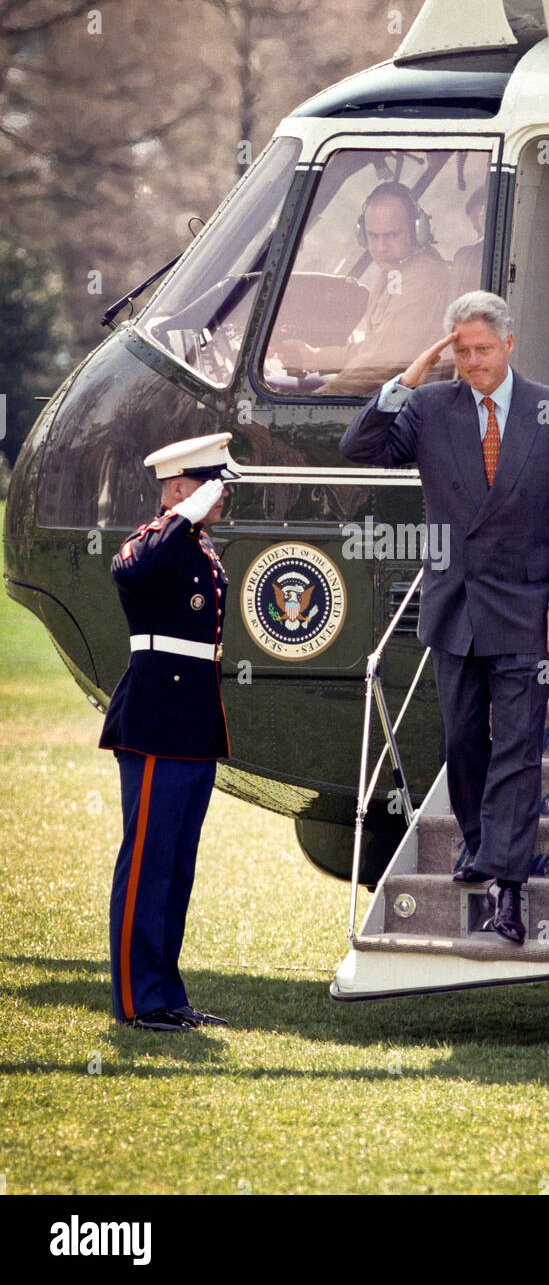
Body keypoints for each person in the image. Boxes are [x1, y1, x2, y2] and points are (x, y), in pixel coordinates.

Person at [340, 292, 549, 945]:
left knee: (516, 749)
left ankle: (506, 888)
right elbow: (360, 448)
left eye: (482, 349)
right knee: (462, 741)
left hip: (527, 611)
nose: (472, 361)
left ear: (509, 344)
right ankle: (478, 842)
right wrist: (408, 377)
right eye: (460, 351)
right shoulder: (430, 407)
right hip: (454, 609)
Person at [99, 432, 236, 1030]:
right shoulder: (155, 542)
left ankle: (167, 991)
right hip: (155, 723)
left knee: (177, 863)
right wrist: (181, 512)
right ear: (180, 488)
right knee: (148, 861)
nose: (221, 497)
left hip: (192, 726)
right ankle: (137, 1000)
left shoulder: (198, 549)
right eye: (211, 485)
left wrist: (191, 515)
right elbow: (130, 569)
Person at [280, 181, 450, 396]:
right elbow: (376, 348)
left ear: (417, 230)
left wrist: (320, 398)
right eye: (373, 235)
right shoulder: (394, 269)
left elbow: (384, 362)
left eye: (391, 235)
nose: (380, 247)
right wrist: (315, 356)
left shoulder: (423, 276)